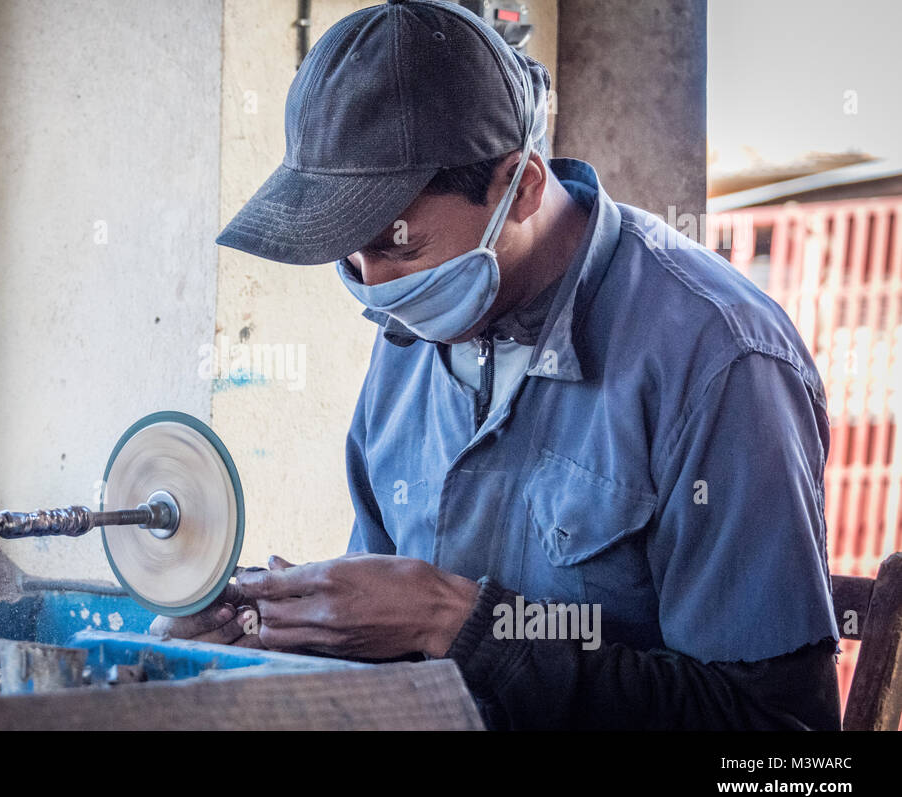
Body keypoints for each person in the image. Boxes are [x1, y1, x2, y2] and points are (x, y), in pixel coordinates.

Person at [151, 0, 841, 730]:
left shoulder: (718, 362)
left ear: (524, 185)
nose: (376, 288)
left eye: (399, 247)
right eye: (349, 256)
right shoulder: (409, 342)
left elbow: (782, 744)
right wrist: (270, 638)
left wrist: (464, 626)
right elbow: (391, 661)